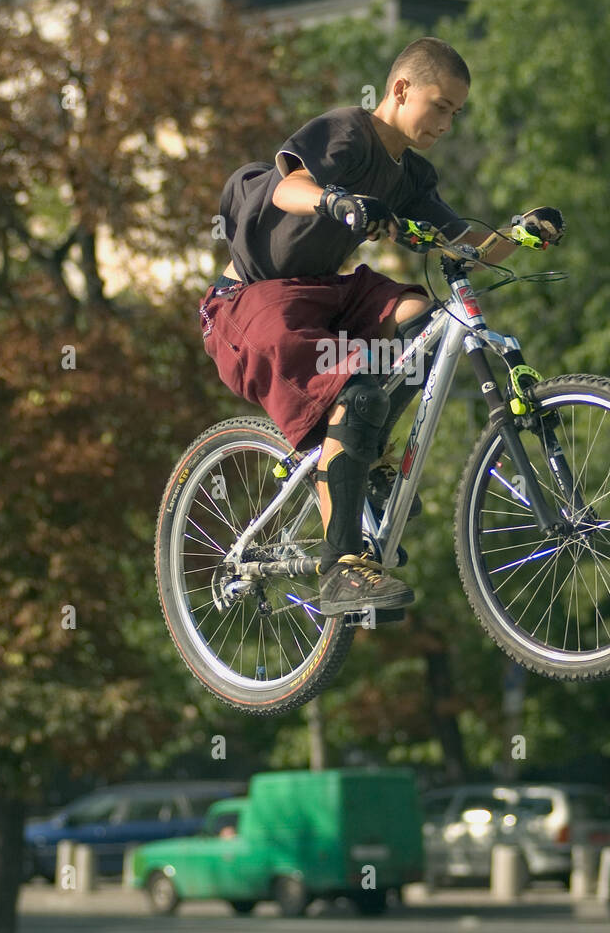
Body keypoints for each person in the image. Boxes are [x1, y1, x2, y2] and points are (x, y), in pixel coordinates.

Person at [198, 36, 563, 617]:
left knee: (424, 319)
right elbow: (285, 186)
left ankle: (367, 460)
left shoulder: (411, 175)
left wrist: (518, 233)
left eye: (455, 113)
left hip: (321, 296)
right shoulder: (347, 131)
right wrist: (336, 202)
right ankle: (339, 567)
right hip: (250, 301)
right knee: (360, 393)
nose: (447, 123)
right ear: (401, 89)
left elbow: (461, 244)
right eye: (439, 106)